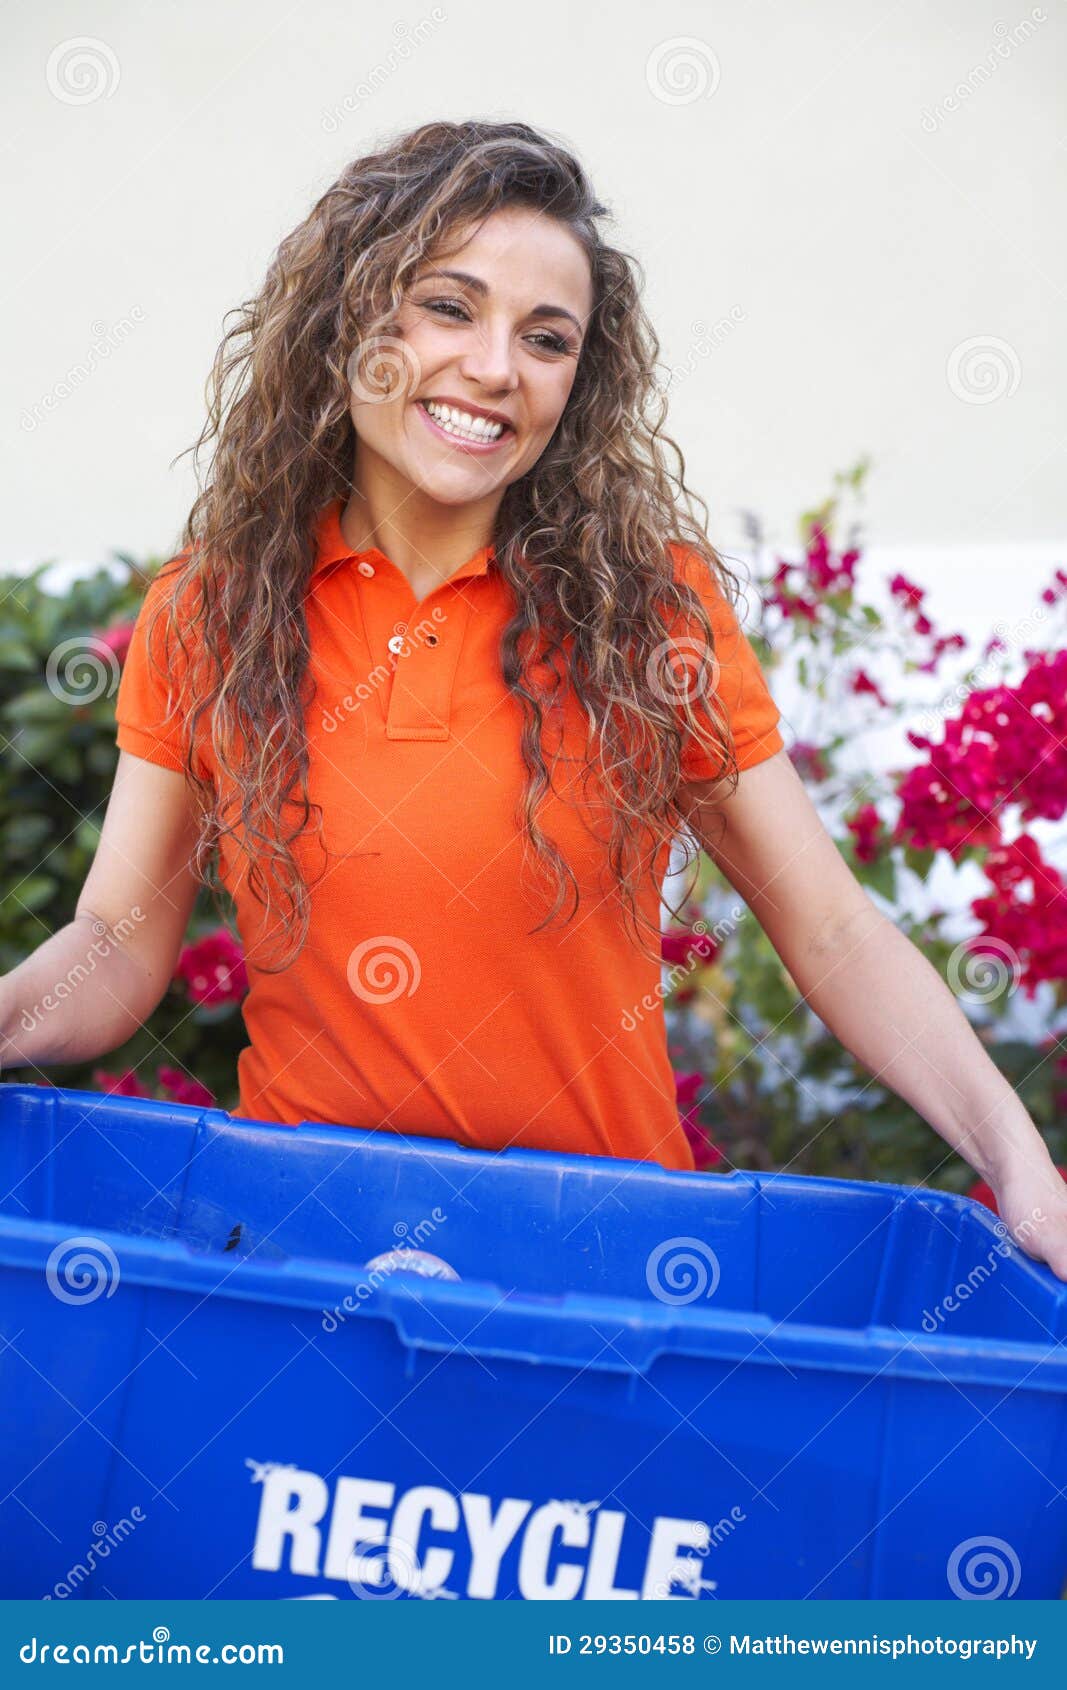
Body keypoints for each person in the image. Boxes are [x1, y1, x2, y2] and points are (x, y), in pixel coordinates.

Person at [2, 118, 1065, 1279]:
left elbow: (829, 928)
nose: (495, 368)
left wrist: (1018, 1165)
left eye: (546, 338)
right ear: (349, 325)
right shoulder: (211, 612)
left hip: (604, 1273)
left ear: (580, 379)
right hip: (307, 1268)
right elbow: (113, 942)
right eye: (448, 307)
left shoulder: (644, 612)